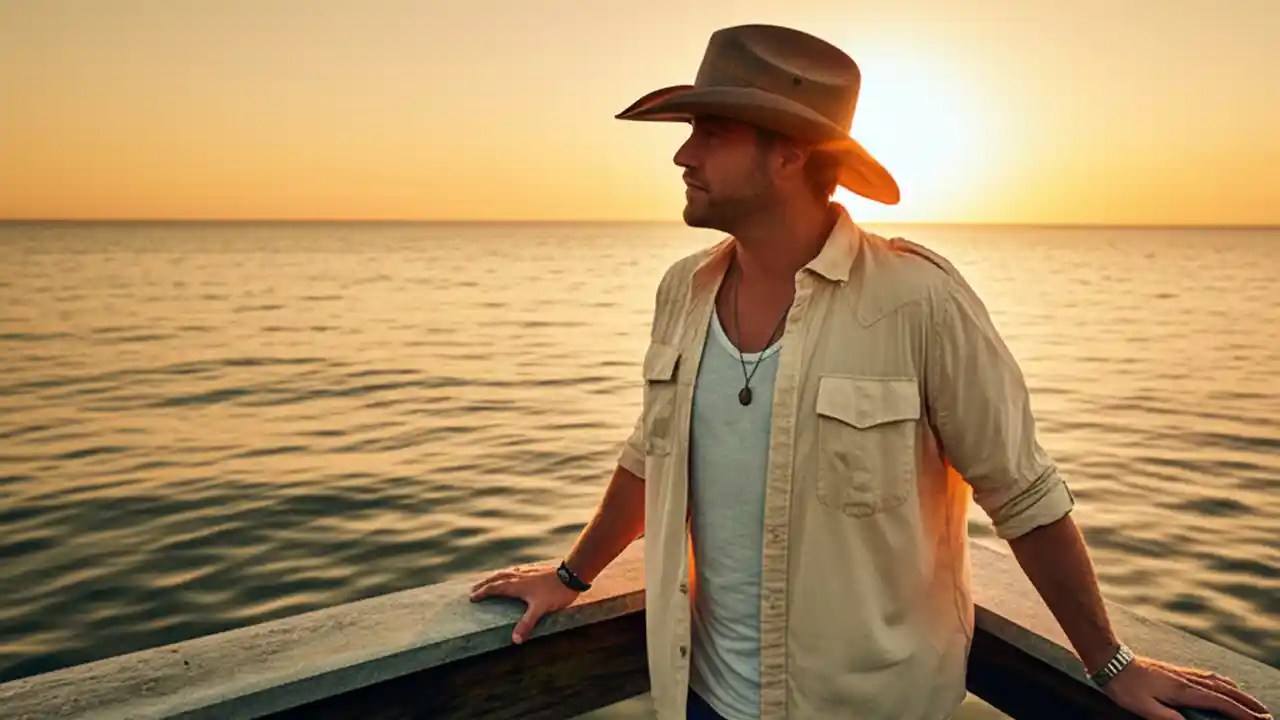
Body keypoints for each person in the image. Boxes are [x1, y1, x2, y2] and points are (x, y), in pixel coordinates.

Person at [469, 24, 1272, 720]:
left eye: (710, 131)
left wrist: (1111, 663)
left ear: (789, 152)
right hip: (702, 697)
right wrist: (571, 575)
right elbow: (652, 454)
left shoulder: (918, 299)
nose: (683, 153)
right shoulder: (682, 289)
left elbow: (1024, 496)